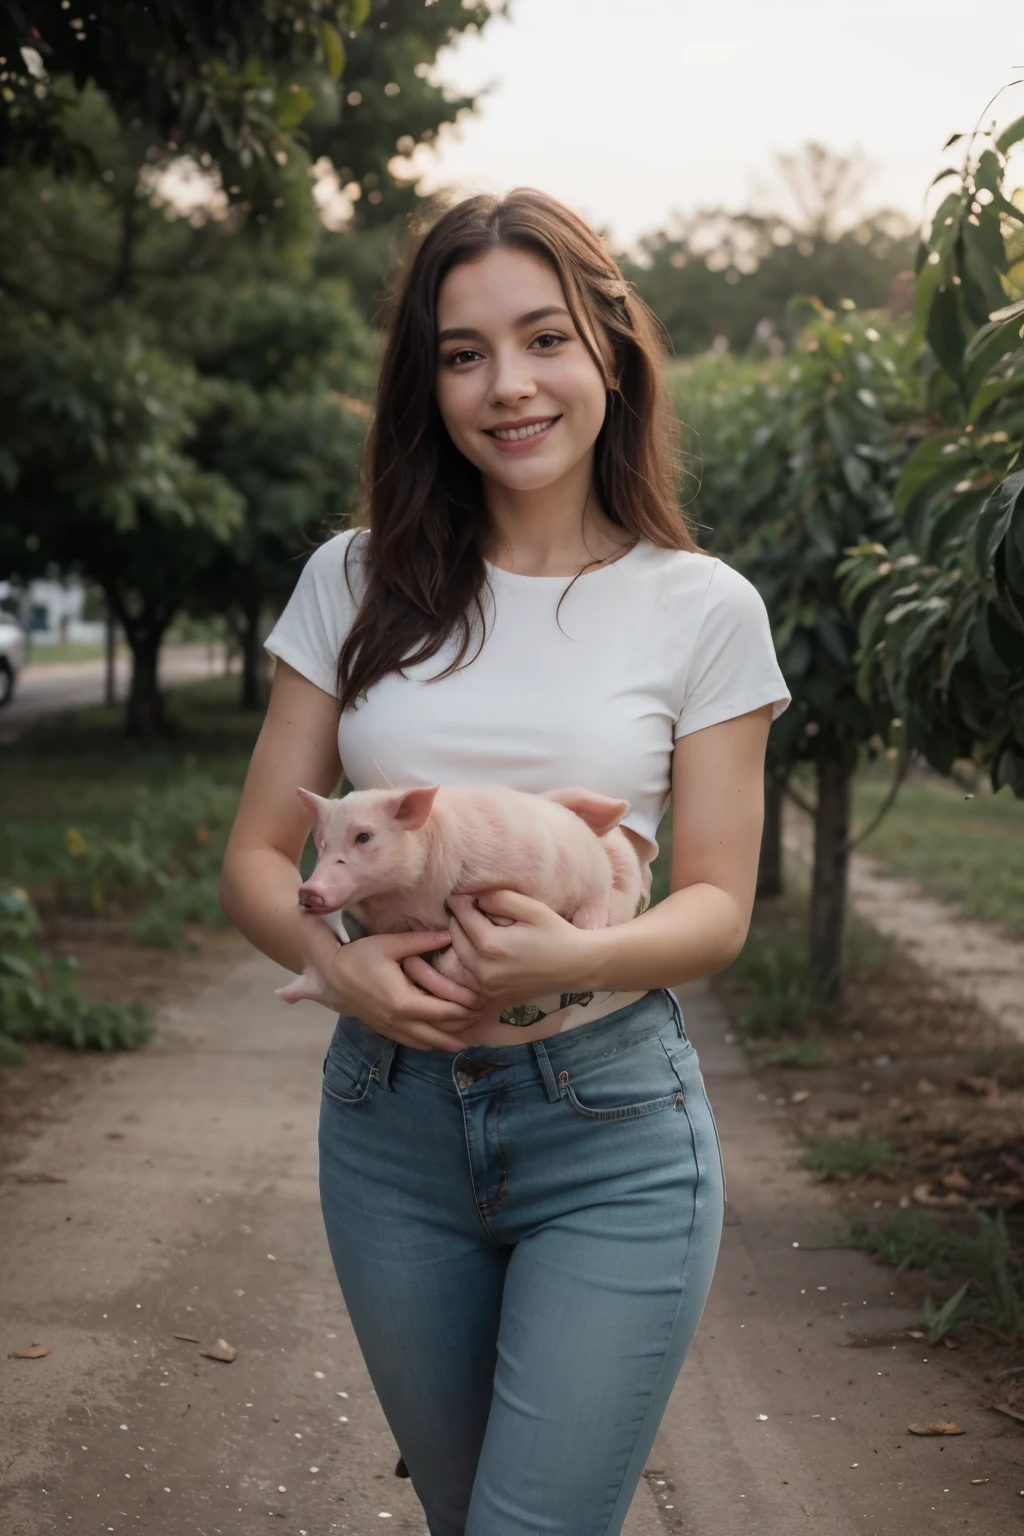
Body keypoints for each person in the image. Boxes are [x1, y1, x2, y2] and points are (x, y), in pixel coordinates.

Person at [220, 187, 790, 1536]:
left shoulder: (701, 607)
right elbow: (253, 857)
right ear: (428, 384)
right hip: (387, 1130)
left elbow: (715, 907)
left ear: (611, 351)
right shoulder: (351, 582)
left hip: (610, 1131)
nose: (509, 385)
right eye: (463, 353)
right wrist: (341, 974)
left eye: (543, 339)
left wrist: (576, 953)